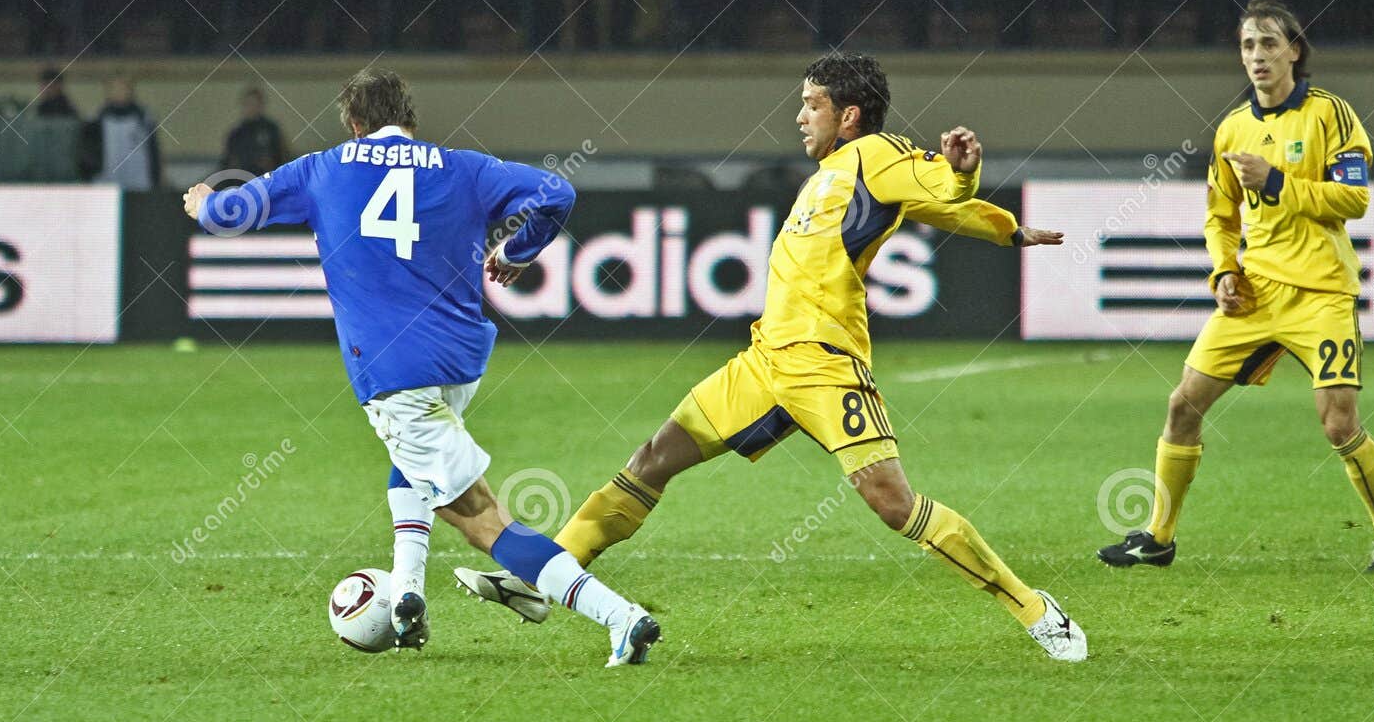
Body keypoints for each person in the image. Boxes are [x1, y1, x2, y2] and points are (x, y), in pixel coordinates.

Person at [459, 53, 1087, 663]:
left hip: (824, 363)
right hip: (763, 362)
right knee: (651, 460)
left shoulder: (879, 153)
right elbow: (942, 210)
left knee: (894, 504)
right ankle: (541, 582)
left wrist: (965, 174)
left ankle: (1035, 609)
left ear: (849, 114)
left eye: (812, 105)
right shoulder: (834, 172)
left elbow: (943, 187)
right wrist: (1007, 228)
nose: (800, 117)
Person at [180, 68, 661, 666]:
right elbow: (557, 193)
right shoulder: (463, 168)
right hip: (460, 360)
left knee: (482, 520)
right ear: (409, 118)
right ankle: (407, 593)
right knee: (411, 462)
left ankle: (620, 617)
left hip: (393, 370)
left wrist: (203, 203)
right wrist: (517, 249)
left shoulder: (323, 169)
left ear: (354, 124)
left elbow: (229, 213)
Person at [1097, 0, 1374, 573]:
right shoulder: (1232, 129)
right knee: (1182, 406)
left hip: (1322, 294)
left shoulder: (1330, 114)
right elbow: (1220, 217)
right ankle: (1159, 537)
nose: (1257, 55)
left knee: (1339, 423)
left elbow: (1354, 199)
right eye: (1248, 45)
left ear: (1295, 51)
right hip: (1256, 295)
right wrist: (1223, 270)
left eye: (1269, 43)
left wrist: (1276, 181)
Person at [94, 76, 161, 191]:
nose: (120, 93)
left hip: (138, 181)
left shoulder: (143, 118)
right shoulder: (100, 119)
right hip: (108, 179)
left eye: (123, 89)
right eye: (115, 89)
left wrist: (157, 177)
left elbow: (153, 149)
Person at [220, 87, 287, 177]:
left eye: (255, 104)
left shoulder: (271, 130)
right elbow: (228, 161)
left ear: (261, 106)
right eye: (248, 104)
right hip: (241, 179)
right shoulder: (236, 133)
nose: (252, 108)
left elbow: (281, 156)